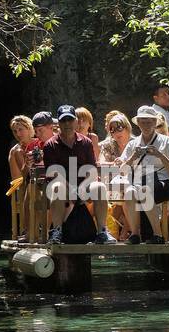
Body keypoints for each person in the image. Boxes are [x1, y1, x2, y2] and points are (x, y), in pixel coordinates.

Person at [43, 104, 115, 245]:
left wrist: (80, 189)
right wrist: (71, 189)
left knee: (99, 187)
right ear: (58, 123)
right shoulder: (50, 145)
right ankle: (56, 232)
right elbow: (54, 173)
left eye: (70, 120)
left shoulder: (86, 143)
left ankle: (102, 232)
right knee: (58, 187)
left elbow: (92, 171)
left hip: (82, 187)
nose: (67, 124)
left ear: (76, 121)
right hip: (60, 186)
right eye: (63, 120)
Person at [119, 106, 169, 244]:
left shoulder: (166, 141)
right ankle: (135, 234)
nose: (146, 125)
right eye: (143, 121)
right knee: (130, 192)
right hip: (140, 183)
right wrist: (133, 156)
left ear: (154, 122)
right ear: (138, 123)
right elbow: (123, 170)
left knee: (142, 190)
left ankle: (158, 235)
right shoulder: (132, 144)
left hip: (163, 182)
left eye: (149, 121)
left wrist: (159, 154)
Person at [98, 112, 132, 238]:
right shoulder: (108, 145)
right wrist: (114, 163)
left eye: (119, 127)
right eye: (111, 130)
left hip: (132, 181)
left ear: (127, 127)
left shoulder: (136, 143)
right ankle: (115, 232)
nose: (115, 132)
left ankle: (125, 231)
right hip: (111, 182)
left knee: (128, 190)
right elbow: (102, 163)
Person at [7, 115, 34, 182]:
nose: (18, 134)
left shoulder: (41, 142)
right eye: (15, 131)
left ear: (28, 128)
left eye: (20, 129)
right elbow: (16, 181)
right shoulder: (14, 151)